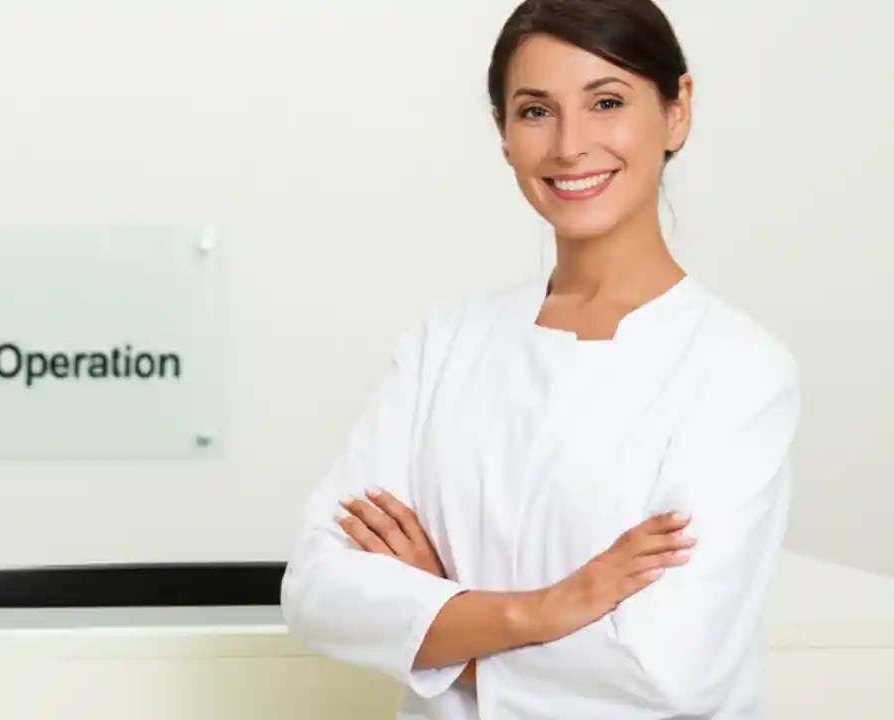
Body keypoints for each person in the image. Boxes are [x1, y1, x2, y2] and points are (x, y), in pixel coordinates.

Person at [279, 1, 802, 718]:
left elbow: (668, 671)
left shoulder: (739, 369)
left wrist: (435, 616)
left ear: (677, 110)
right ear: (503, 133)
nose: (569, 146)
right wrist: (549, 609)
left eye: (607, 102)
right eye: (535, 111)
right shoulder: (446, 345)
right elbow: (317, 589)